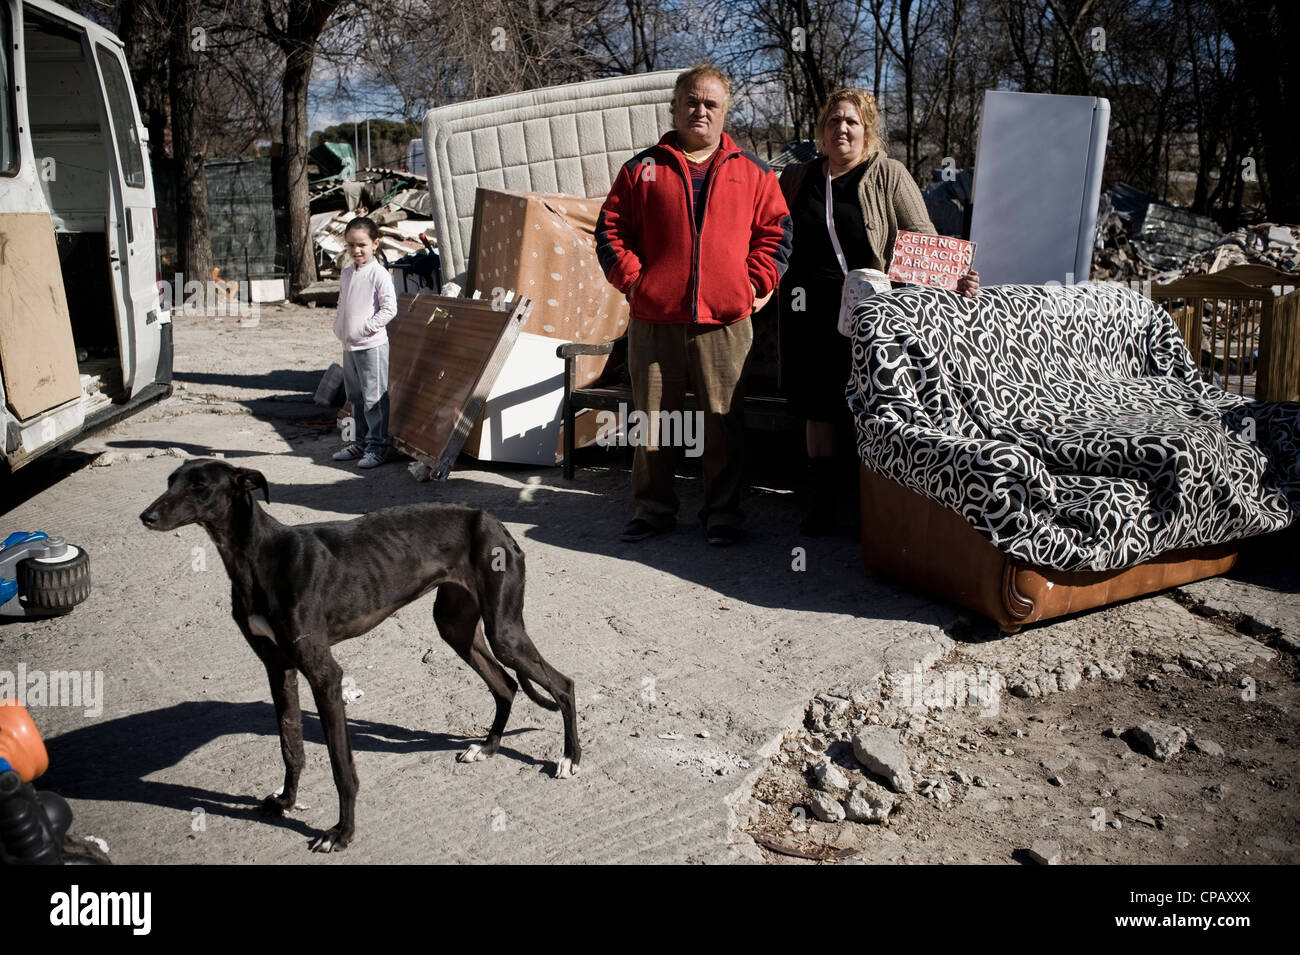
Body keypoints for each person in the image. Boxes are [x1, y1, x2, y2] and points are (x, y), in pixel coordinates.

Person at [596, 64, 793, 546]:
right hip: (654, 318)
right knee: (653, 420)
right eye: (691, 101)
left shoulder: (754, 171)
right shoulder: (641, 168)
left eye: (710, 103)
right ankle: (652, 509)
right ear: (675, 106)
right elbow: (609, 230)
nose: (699, 110)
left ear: (725, 111)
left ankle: (722, 514)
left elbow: (778, 233)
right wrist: (635, 283)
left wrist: (752, 284)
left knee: (722, 423)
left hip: (725, 321)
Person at [778, 89, 979, 534]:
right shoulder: (799, 177)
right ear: (821, 129)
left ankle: (870, 501)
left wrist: (956, 279)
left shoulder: (887, 173)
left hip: (872, 315)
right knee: (819, 406)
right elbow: (773, 233)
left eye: (851, 121)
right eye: (833, 121)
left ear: (866, 129)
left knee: (869, 404)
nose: (841, 129)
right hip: (809, 314)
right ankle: (824, 502)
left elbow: (923, 240)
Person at [332, 216, 398, 469]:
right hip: (349, 346)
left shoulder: (378, 273)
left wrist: (366, 328)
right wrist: (339, 326)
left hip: (372, 346)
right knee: (355, 397)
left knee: (374, 398)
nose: (356, 250)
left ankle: (377, 447)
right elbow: (342, 304)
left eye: (362, 245)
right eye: (350, 245)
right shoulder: (348, 273)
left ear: (375, 244)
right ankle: (359, 442)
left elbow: (389, 308)